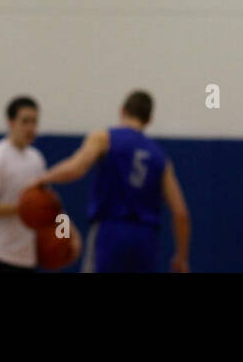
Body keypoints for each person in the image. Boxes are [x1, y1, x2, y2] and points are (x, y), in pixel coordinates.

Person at [39, 90, 190, 272]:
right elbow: (181, 213)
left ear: (122, 110)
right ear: (149, 120)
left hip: (111, 231)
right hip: (146, 239)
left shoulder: (105, 138)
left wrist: (44, 178)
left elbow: (76, 168)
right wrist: (181, 257)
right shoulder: (160, 158)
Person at [0, 95, 46, 273]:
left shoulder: (37, 159)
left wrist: (67, 230)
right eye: (25, 121)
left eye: (34, 122)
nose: (31, 128)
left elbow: (46, 205)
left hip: (25, 258)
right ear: (11, 123)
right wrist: (21, 209)